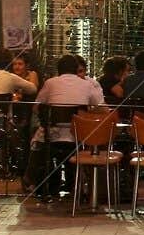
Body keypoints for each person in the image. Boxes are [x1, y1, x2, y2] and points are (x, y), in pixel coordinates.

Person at [28, 55, 104, 202]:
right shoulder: (87, 85)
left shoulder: (50, 83)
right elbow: (102, 108)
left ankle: (41, 185)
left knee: (38, 138)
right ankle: (79, 186)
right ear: (76, 70)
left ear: (58, 70)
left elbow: (36, 107)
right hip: (78, 137)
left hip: (51, 137)